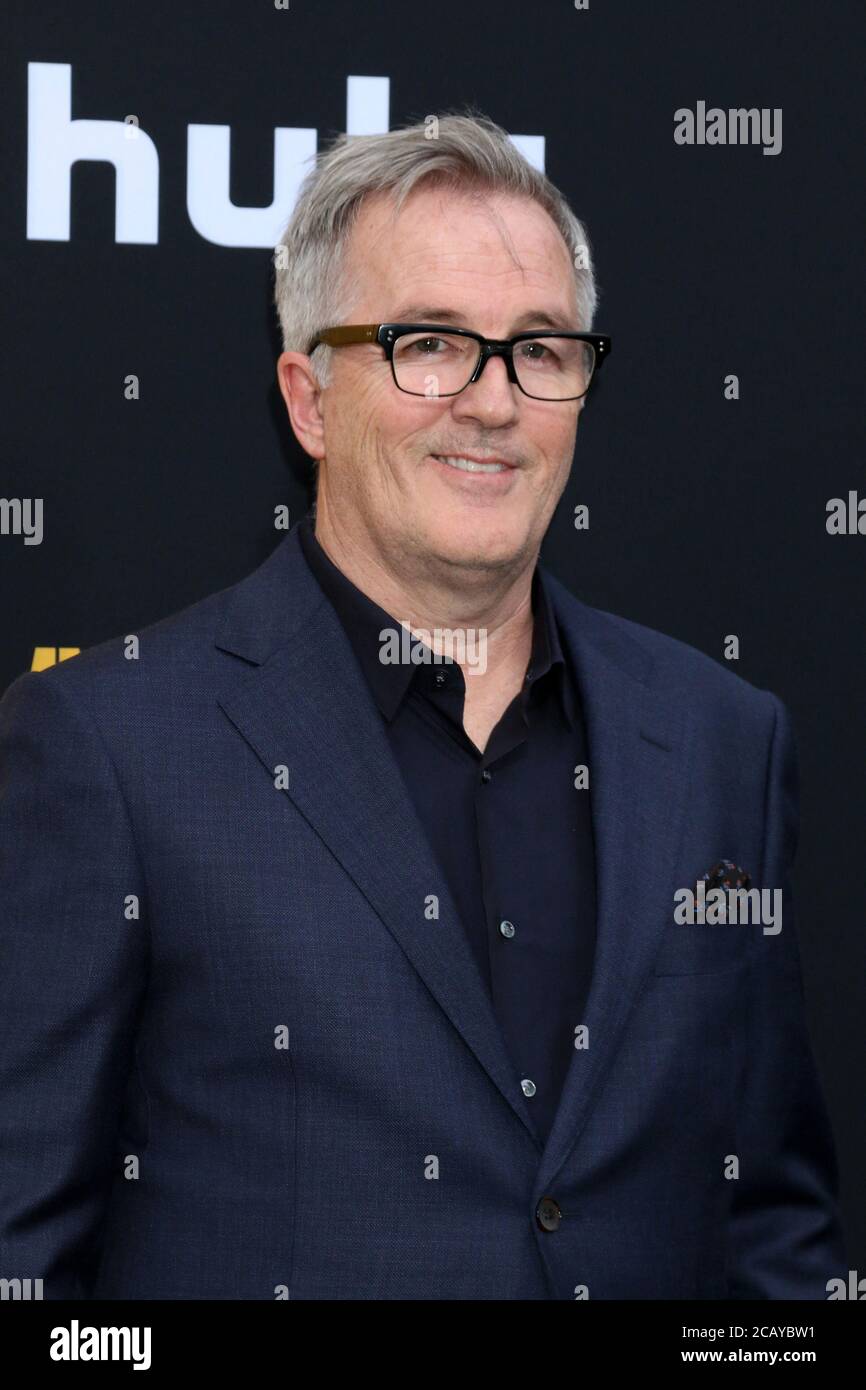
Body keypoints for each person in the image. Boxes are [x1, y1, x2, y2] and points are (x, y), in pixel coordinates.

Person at [0, 113, 846, 1299]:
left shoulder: (718, 741)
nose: (492, 403)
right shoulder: (112, 745)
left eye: (538, 350)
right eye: (430, 344)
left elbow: (767, 1232)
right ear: (309, 399)